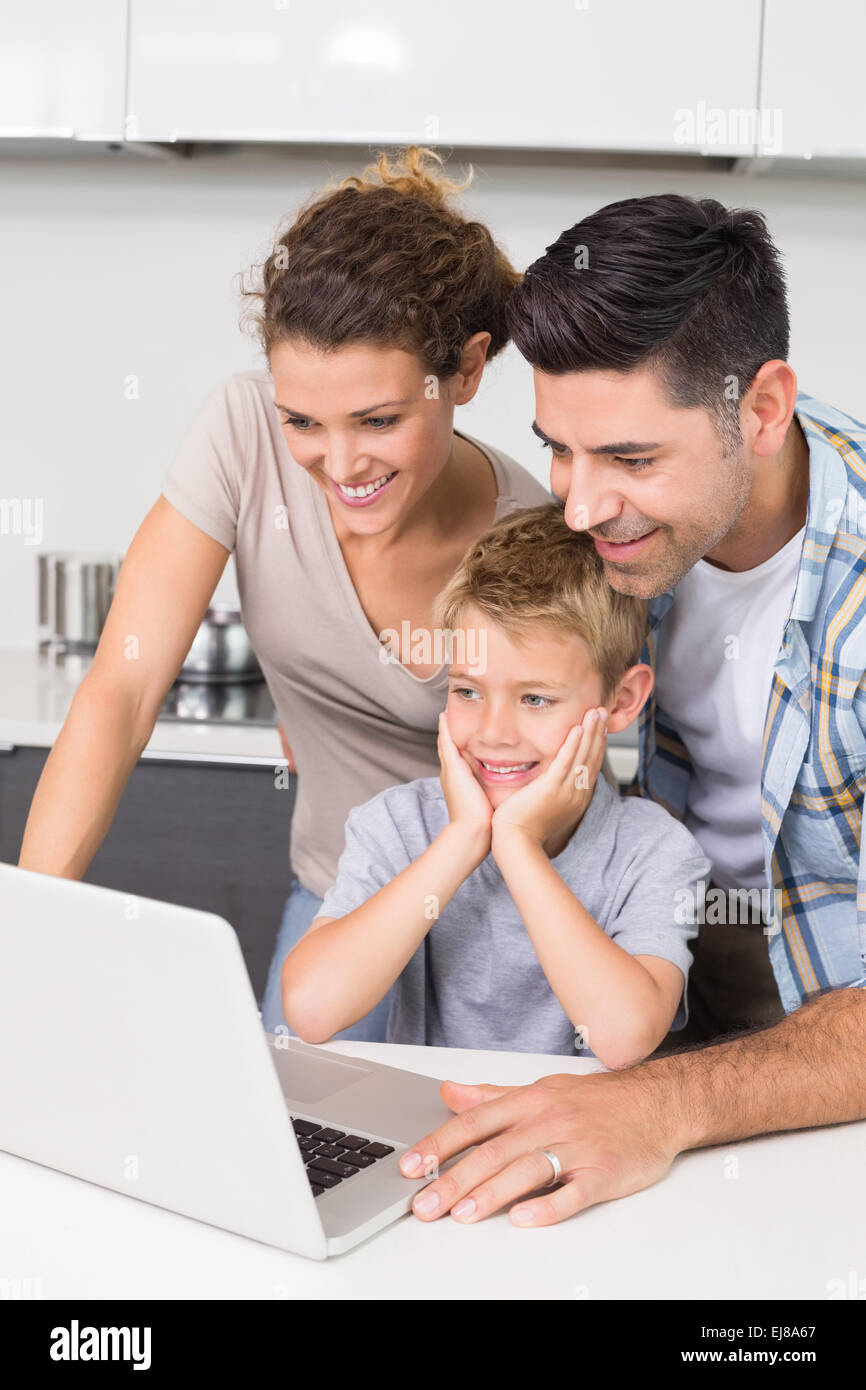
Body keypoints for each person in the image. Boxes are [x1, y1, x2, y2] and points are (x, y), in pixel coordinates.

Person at [394, 193, 866, 1230]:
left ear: (761, 408)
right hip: (676, 1006)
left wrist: (661, 1102)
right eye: (558, 448)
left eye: (630, 458)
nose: (576, 505)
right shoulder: (619, 541)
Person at [16, 147, 549, 1044]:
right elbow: (123, 688)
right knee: (299, 1163)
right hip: (338, 902)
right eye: (303, 421)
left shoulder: (531, 533)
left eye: (379, 421)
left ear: (465, 371)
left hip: (504, 929)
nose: (340, 467)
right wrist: (30, 930)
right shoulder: (239, 432)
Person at [282, 504, 714, 1065]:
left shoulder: (654, 851)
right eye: (467, 691)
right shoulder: (399, 825)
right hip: (428, 1133)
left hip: (573, 1142)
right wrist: (464, 839)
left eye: (535, 699)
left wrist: (517, 846)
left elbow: (623, 1037)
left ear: (621, 701)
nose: (492, 734)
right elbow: (313, 1009)